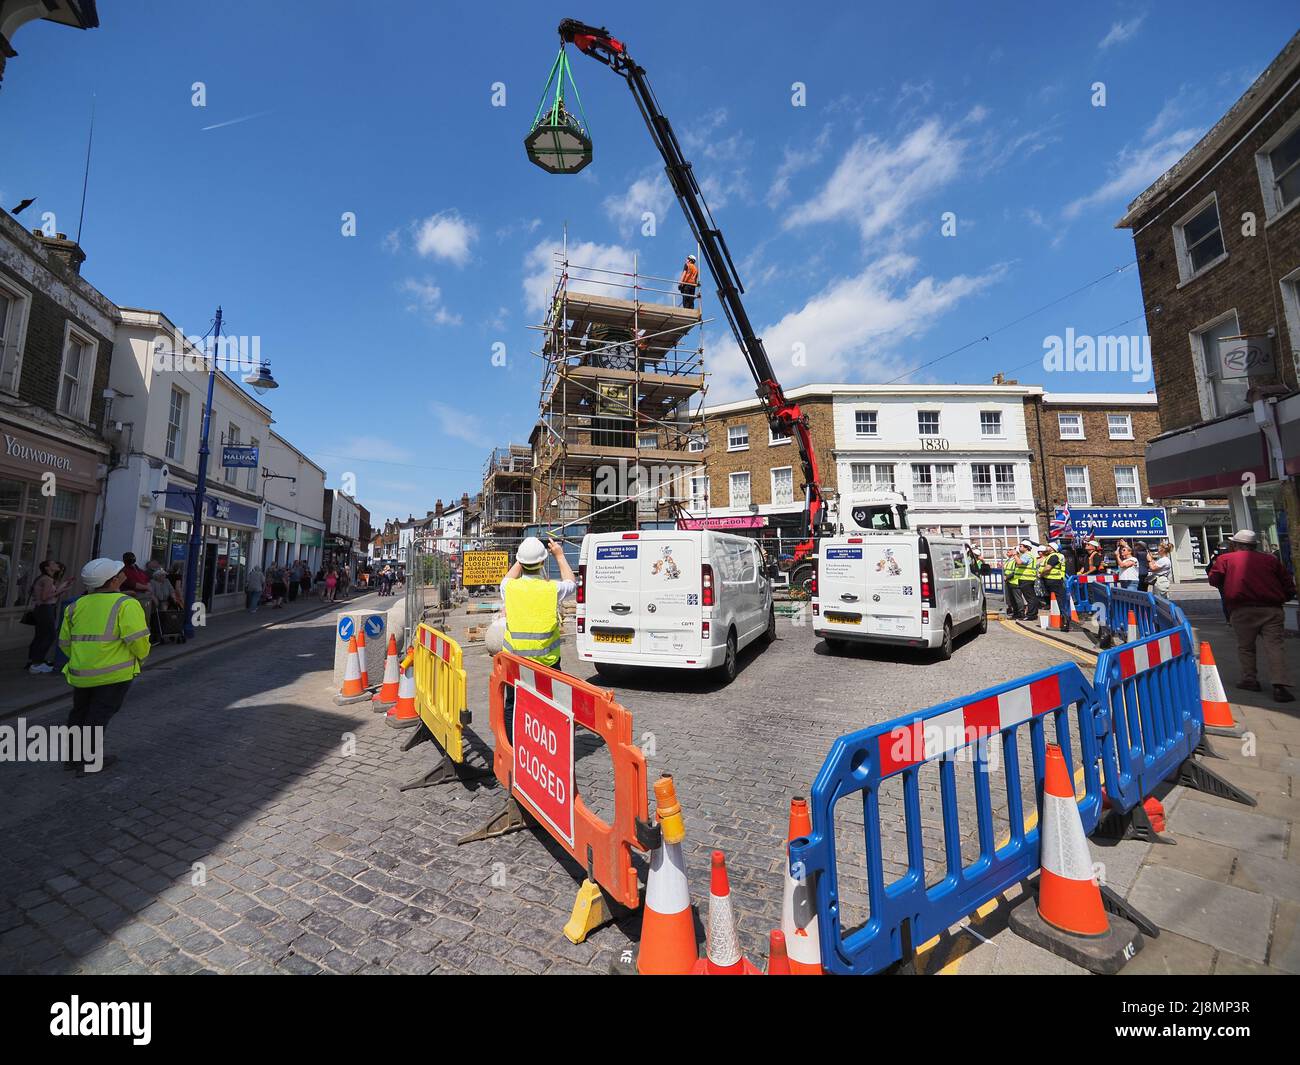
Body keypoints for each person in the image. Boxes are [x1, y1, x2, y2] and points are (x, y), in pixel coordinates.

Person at [58, 558, 152, 774]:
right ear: (114, 580)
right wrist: (141, 658)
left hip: (81, 672)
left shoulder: (75, 605)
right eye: (120, 572)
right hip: (113, 673)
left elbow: (64, 642)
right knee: (98, 716)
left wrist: (82, 659)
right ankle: (89, 761)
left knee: (79, 714)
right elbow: (138, 640)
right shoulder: (125, 604)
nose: (124, 574)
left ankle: (72, 758)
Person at [1208, 529, 1296, 702]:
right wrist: (1284, 597)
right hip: (1271, 608)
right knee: (1275, 646)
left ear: (1235, 545)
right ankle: (1279, 685)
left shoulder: (1226, 559)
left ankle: (1250, 679)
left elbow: (1214, 580)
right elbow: (1286, 581)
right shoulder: (1270, 560)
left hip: (1242, 609)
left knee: (1246, 647)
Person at [25, 560, 73, 673]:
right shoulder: (47, 579)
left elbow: (48, 594)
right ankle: (37, 663)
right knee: (49, 635)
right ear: (47, 568)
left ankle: (34, 661)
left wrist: (63, 587)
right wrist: (62, 590)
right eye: (53, 564)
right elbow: (45, 597)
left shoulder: (43, 578)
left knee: (40, 635)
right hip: (45, 608)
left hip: (42, 608)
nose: (57, 565)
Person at [1037, 541, 1071, 632]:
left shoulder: (1054, 556)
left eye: (1048, 546)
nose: (1046, 547)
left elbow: (1048, 568)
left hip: (1054, 581)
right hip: (1054, 581)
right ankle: (1064, 622)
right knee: (1059, 602)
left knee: (1060, 603)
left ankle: (1065, 623)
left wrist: (1041, 574)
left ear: (1052, 548)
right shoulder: (1052, 556)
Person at [1012, 539, 1040, 621]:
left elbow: (1020, 562)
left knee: (1030, 598)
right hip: (1026, 579)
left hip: (1026, 579)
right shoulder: (1026, 555)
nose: (1019, 547)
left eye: (1021, 546)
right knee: (1030, 598)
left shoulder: (1026, 555)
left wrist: (1015, 555)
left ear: (1027, 547)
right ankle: (1032, 614)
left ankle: (1031, 615)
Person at [1002, 545, 1026, 619]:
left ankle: (1021, 613)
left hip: (1015, 581)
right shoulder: (1009, 560)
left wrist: (1008, 577)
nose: (1008, 551)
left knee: (1017, 599)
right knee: (1011, 599)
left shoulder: (1016, 559)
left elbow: (1015, 570)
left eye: (1010, 550)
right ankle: (1015, 614)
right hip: (1009, 582)